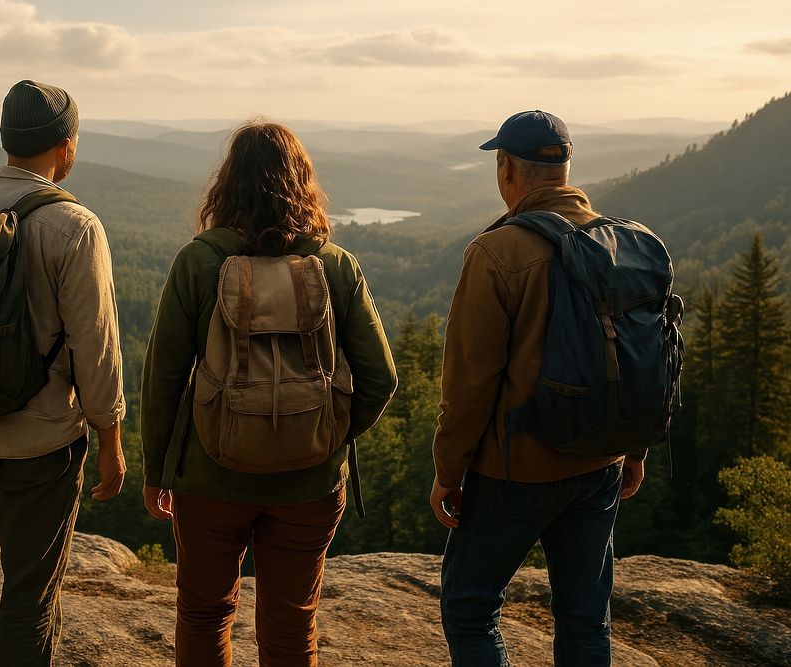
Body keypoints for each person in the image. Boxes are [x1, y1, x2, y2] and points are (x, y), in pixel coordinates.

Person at [141, 121, 397, 667]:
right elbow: (381, 378)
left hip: (210, 477)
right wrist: (326, 433)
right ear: (302, 181)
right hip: (310, 482)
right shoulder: (334, 265)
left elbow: (163, 379)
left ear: (227, 184)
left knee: (205, 614)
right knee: (291, 621)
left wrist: (157, 471)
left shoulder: (199, 262)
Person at [430, 110, 648, 666]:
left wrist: (448, 472)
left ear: (506, 171)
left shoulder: (498, 253)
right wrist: (634, 449)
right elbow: (641, 358)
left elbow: (469, 382)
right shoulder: (623, 246)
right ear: (565, 168)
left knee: (471, 608)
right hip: (599, 462)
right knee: (584, 618)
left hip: (514, 469)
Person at [0, 80, 126, 666]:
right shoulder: (75, 227)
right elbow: (97, 348)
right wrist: (111, 441)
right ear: (65, 146)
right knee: (29, 592)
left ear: (8, 139)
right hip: (42, 441)